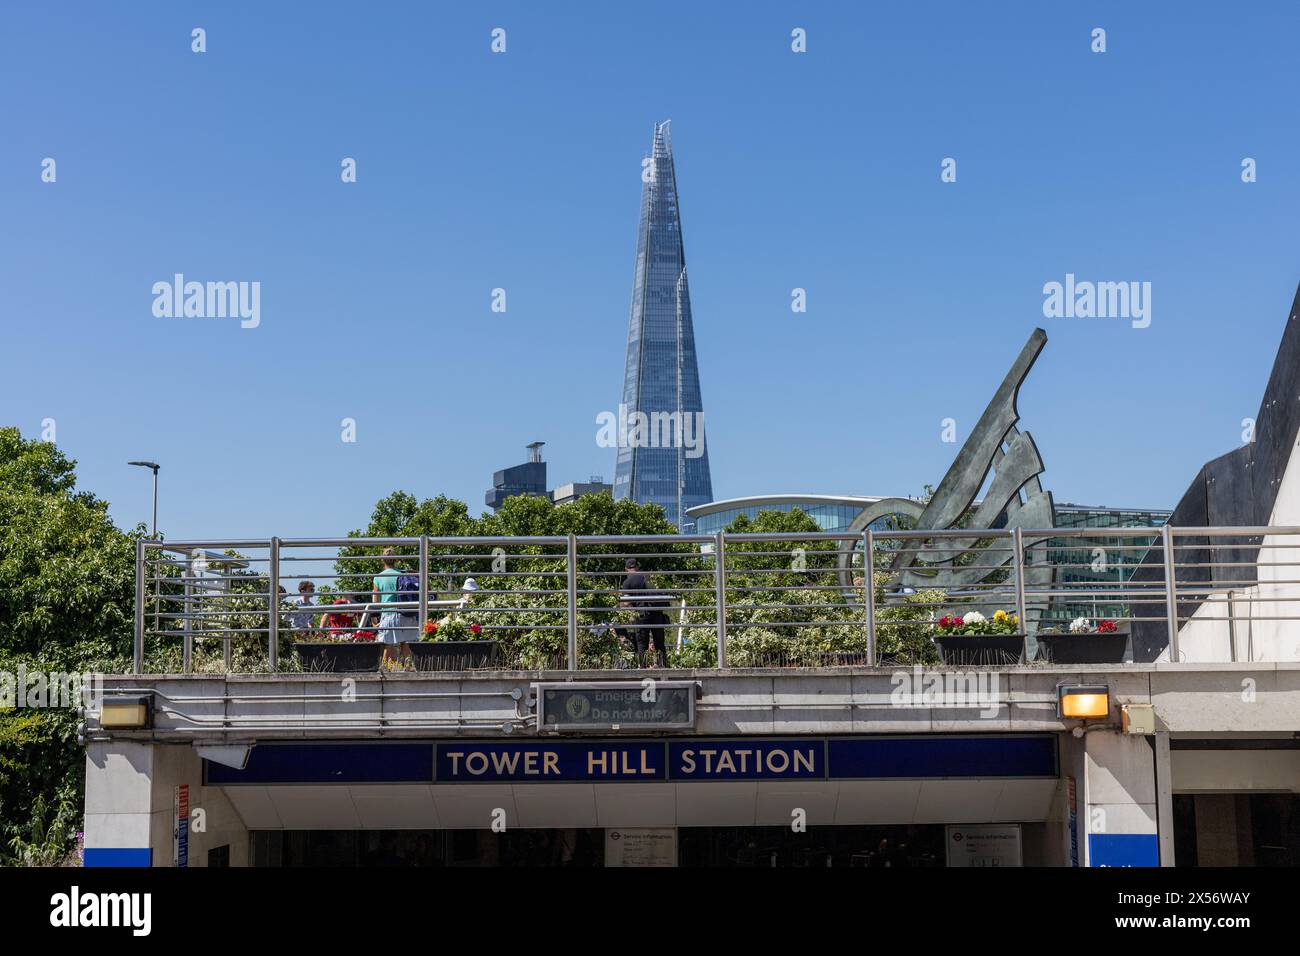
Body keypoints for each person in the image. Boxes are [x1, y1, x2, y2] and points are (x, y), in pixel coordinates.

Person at [620, 557, 670, 667]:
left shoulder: (627, 582)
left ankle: (644, 668)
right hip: (656, 613)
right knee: (659, 642)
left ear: (626, 569)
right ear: (637, 567)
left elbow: (626, 602)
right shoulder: (648, 577)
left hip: (641, 615)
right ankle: (665, 666)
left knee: (642, 643)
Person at [373, 548, 403, 660]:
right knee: (404, 644)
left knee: (387, 645)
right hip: (401, 613)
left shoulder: (378, 577)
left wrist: (374, 618)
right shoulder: (401, 575)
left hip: (387, 614)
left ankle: (384, 670)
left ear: (382, 560)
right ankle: (407, 668)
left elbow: (375, 600)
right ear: (395, 560)